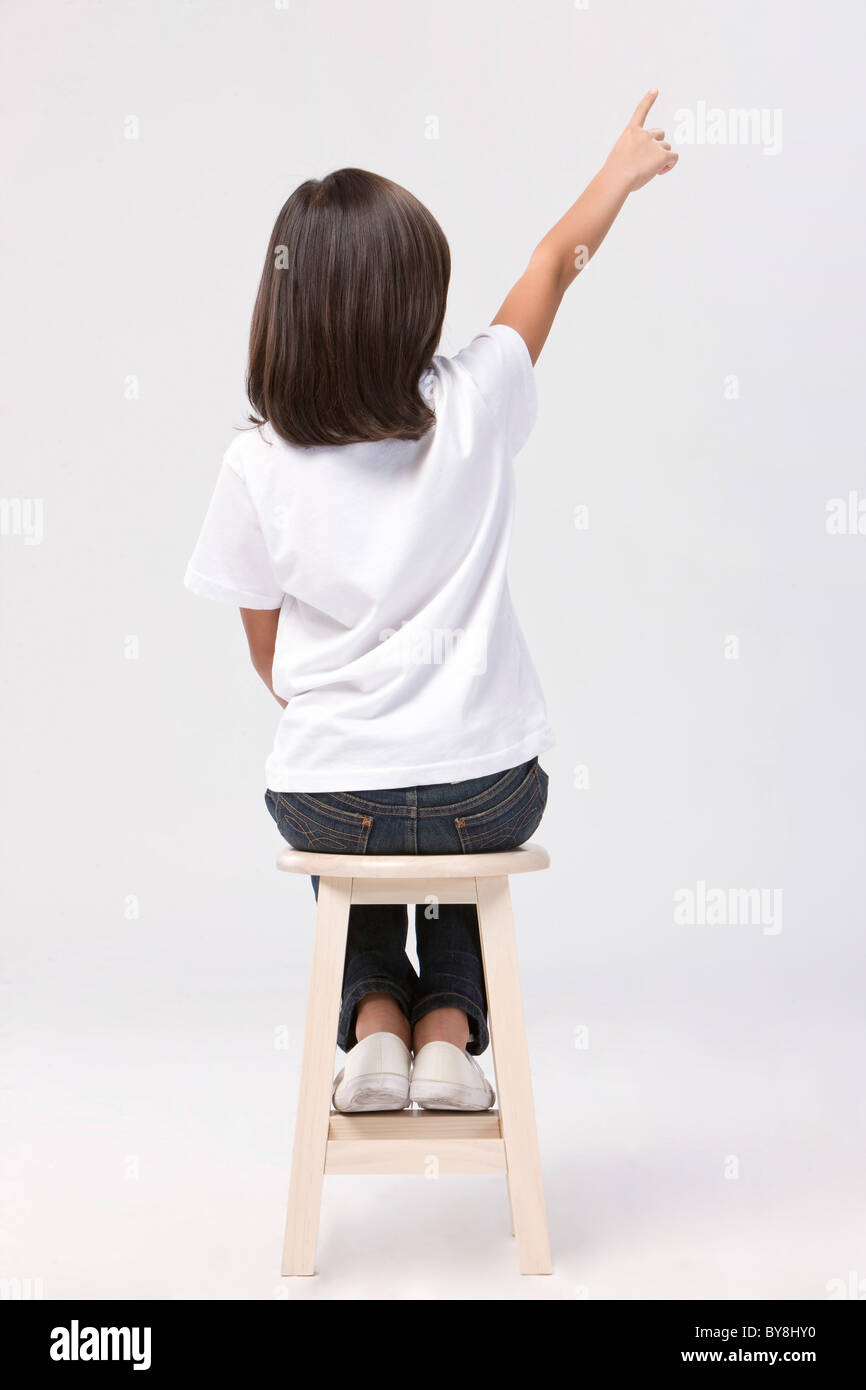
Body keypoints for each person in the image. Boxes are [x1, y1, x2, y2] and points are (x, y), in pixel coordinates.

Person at [185, 91, 677, 1113]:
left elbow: (265, 649)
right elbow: (550, 265)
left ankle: (372, 1026)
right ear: (412, 310)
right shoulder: (475, 401)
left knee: (358, 827)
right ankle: (449, 1034)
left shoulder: (254, 465)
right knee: (454, 819)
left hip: (326, 792)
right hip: (483, 790)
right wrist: (617, 171)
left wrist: (339, 714)